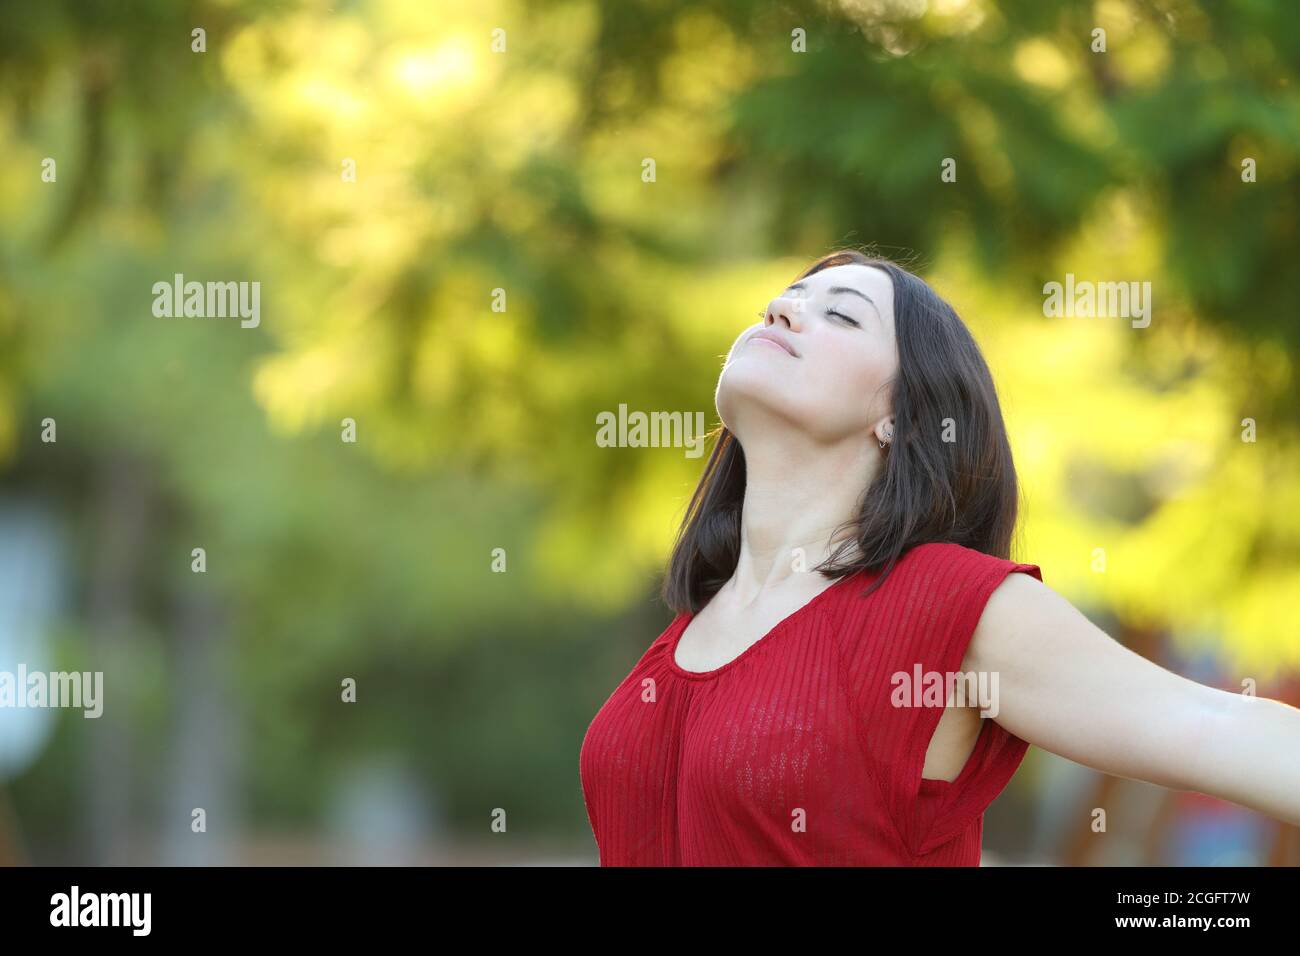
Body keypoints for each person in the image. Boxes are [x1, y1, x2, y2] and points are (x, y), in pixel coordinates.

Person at [578, 248, 1300, 865]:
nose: (781, 309)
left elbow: (1218, 727)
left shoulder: (944, 605)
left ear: (901, 414)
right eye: (787, 297)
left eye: (841, 314)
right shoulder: (689, 630)